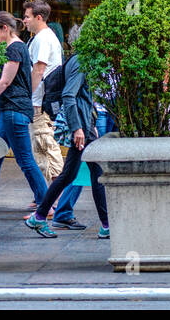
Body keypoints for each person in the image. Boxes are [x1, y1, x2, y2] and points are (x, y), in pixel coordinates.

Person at [24, 45, 109, 239]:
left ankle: (39, 216)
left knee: (74, 174)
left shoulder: (79, 60)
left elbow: (81, 98)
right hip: (81, 127)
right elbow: (69, 95)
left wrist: (89, 123)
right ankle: (105, 225)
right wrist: (77, 128)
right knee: (86, 174)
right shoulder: (81, 61)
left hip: (84, 125)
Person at [0, 11, 48, 207]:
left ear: (5, 28)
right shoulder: (17, 47)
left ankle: (45, 203)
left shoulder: (13, 49)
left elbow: (5, 81)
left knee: (25, 160)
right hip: (12, 110)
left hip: (14, 111)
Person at [23, 0, 64, 185]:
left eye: (27, 17)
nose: (24, 21)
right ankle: (47, 198)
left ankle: (54, 200)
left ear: (38, 17)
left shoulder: (43, 39)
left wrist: (27, 95)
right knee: (41, 148)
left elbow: (38, 70)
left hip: (39, 102)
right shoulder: (41, 37)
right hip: (39, 100)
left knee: (45, 146)